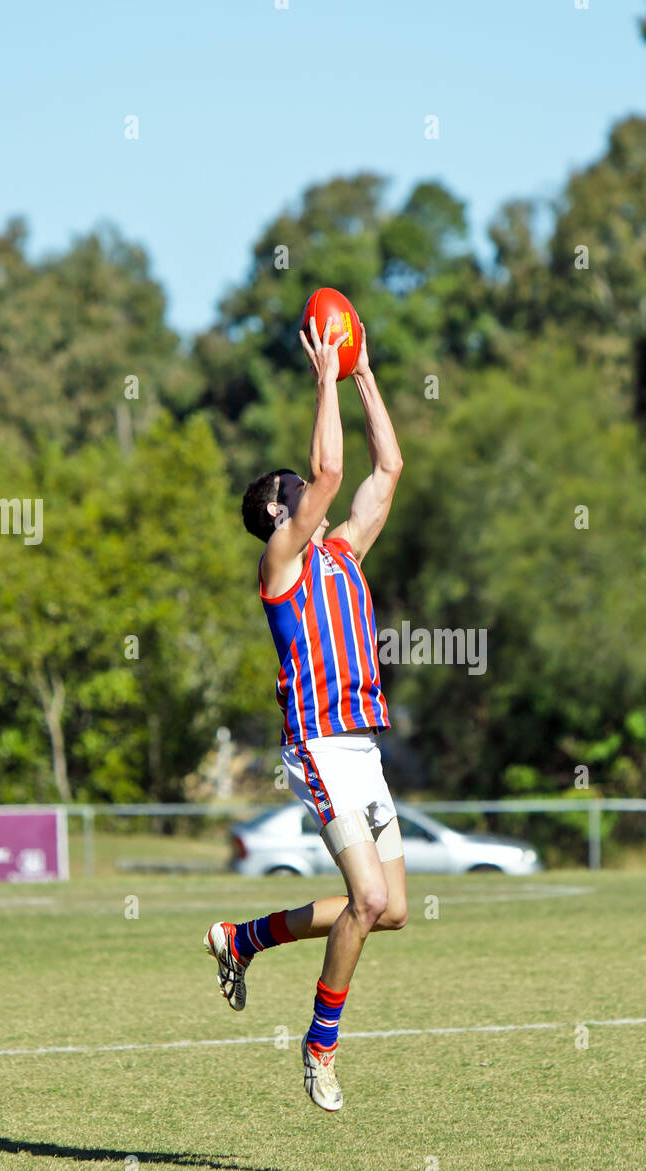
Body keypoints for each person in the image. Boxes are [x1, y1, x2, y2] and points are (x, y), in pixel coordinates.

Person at [205, 312, 406, 1112]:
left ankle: (243, 938)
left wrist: (360, 373)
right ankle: (319, 1048)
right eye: (298, 493)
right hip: (319, 748)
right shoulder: (281, 563)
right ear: (281, 515)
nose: (313, 489)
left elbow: (385, 466)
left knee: (389, 912)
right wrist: (322, 372)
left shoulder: (341, 551)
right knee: (363, 901)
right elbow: (329, 469)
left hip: (362, 748)